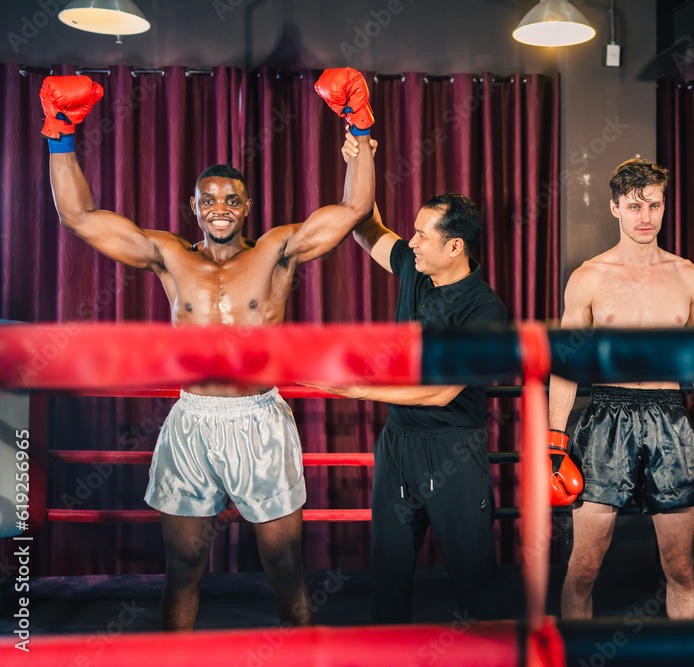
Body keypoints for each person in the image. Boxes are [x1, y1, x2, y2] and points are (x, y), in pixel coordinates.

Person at [42, 69, 376, 630]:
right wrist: (60, 136)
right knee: (185, 565)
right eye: (208, 199)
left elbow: (352, 210)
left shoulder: (277, 250)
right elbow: (77, 218)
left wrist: (359, 128)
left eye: (231, 198)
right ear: (192, 206)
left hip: (259, 419)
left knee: (286, 566)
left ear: (246, 206)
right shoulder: (169, 254)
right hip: (193, 419)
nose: (220, 207)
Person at [310, 134, 508, 623]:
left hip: (452, 449)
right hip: (398, 443)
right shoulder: (418, 270)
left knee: (474, 577)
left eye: (422, 234)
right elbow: (365, 227)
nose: (411, 241)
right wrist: (362, 159)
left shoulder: (485, 310)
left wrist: (353, 387)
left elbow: (441, 393)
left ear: (455, 246)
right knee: (389, 575)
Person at [548, 157, 694, 620]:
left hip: (671, 417)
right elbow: (565, 366)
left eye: (654, 205)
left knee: (681, 569)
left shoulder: (688, 276)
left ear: (665, 205)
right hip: (606, 416)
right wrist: (555, 442)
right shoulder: (589, 277)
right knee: (583, 568)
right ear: (615, 208)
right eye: (634, 207)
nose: (645, 217)